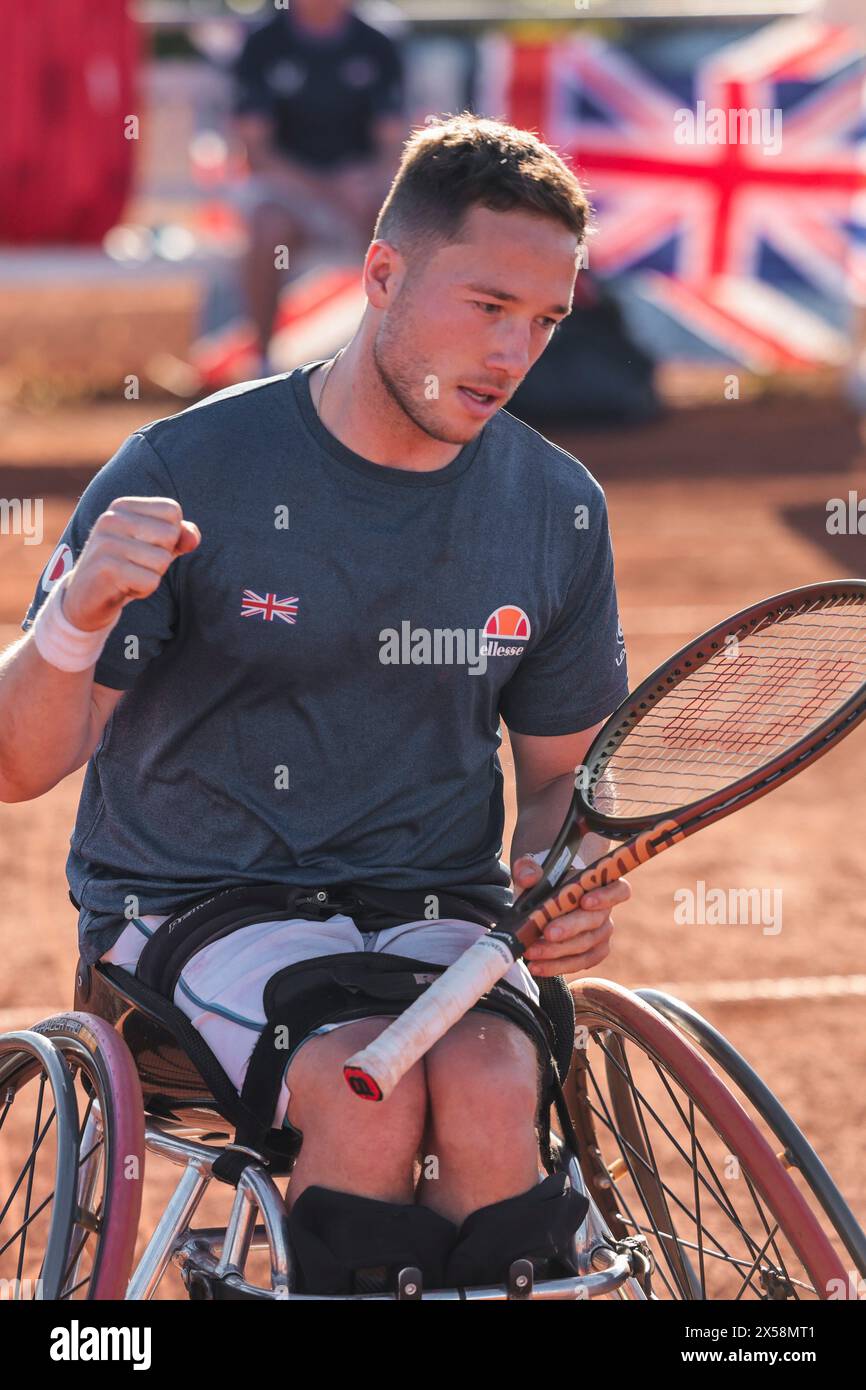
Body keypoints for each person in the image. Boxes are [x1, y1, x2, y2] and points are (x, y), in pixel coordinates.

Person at [1, 113, 632, 1294]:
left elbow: (560, 780)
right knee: (363, 1087)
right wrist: (73, 619)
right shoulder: (185, 470)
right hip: (190, 905)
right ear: (380, 275)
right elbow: (17, 763)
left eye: (544, 321)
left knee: (497, 1086)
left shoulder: (555, 507)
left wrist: (561, 868)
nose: (513, 353)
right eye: (485, 305)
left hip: (435, 908)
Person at [231, 0, 406, 371]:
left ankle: (386, 360)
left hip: (357, 188)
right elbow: (258, 153)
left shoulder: (377, 43)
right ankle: (263, 364)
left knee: (393, 230)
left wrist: (367, 178)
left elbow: (391, 143)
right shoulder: (263, 43)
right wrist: (327, 189)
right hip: (287, 189)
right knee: (267, 230)